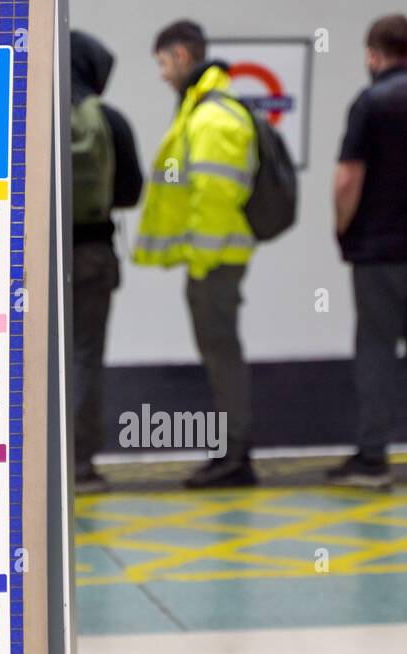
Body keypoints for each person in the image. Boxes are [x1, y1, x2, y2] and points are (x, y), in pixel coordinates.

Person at [327, 14, 407, 490]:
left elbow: (347, 178)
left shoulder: (370, 102)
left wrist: (342, 228)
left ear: (374, 53)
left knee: (376, 352)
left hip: (378, 253)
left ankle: (373, 460)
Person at [133, 19, 259, 489]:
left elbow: (214, 195)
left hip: (216, 262)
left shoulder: (211, 117)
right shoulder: (201, 110)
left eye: (164, 63)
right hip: (214, 259)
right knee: (219, 354)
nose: (163, 74)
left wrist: (201, 258)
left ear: (183, 56)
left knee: (222, 356)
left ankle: (235, 457)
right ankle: (230, 453)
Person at [70, 31, 143, 494]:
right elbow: (132, 192)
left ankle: (29, 460)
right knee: (84, 358)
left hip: (32, 260)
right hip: (93, 255)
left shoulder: (29, 113)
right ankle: (79, 466)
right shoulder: (109, 120)